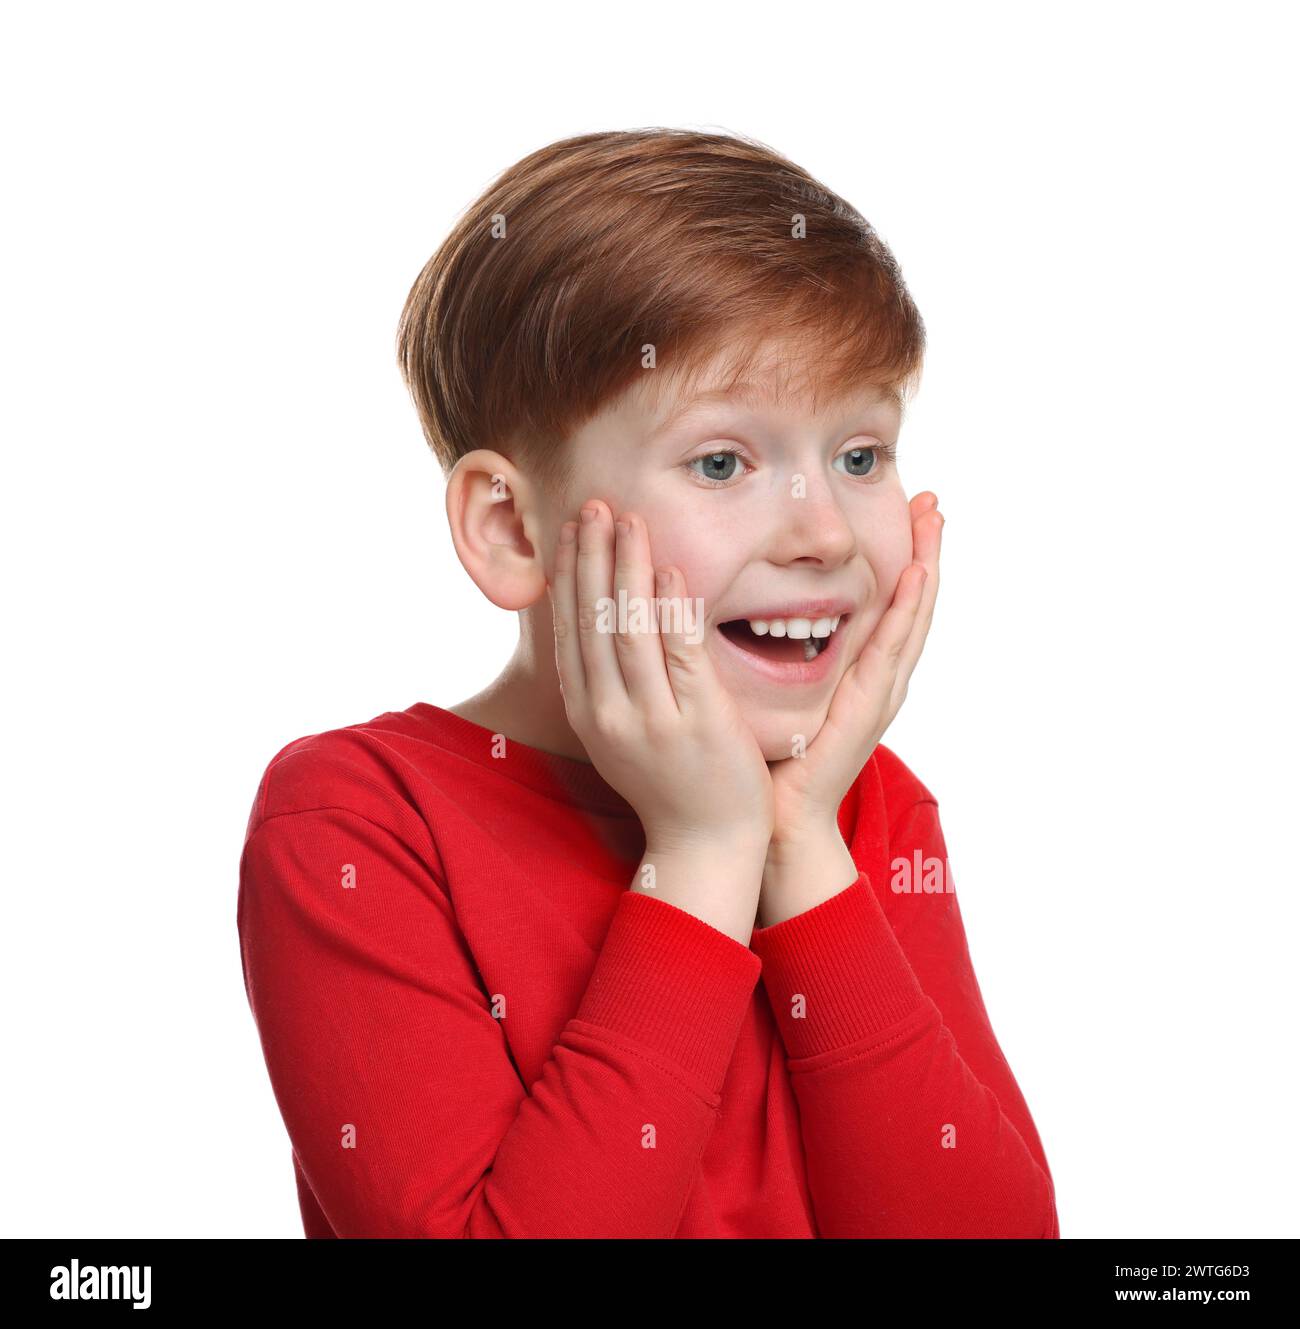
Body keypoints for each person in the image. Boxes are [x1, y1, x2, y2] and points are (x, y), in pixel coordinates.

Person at [237, 127, 1059, 1238]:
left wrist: (798, 844)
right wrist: (706, 851)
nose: (823, 532)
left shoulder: (865, 805)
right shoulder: (357, 824)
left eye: (859, 455)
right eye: (722, 462)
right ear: (510, 527)